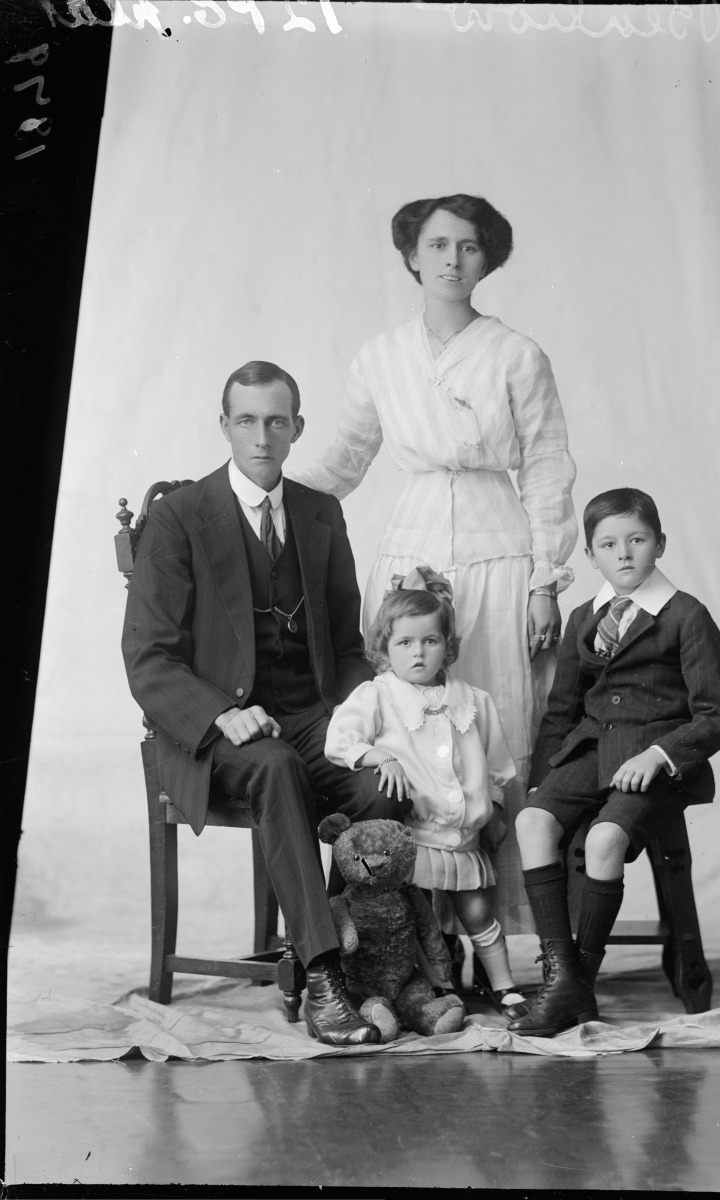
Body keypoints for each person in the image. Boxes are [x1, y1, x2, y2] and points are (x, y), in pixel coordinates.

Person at [289, 193, 578, 933]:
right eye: (438, 245)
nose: (452, 260)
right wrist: (261, 497)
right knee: (406, 730)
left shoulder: (516, 354)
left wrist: (545, 578)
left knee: (496, 728)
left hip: (501, 549)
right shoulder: (379, 356)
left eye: (470, 246)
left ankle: (502, 931)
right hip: (410, 550)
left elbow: (545, 465)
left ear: (489, 258)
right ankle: (409, 934)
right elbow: (343, 461)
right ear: (412, 255)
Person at [121, 359, 414, 1047]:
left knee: (385, 783)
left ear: (297, 429)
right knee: (277, 767)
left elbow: (346, 648)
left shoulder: (319, 513)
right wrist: (221, 712)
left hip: (310, 713)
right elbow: (148, 657)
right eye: (246, 420)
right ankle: (321, 978)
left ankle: (377, 960)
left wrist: (369, 721)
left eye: (276, 421)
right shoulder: (178, 518)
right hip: (212, 730)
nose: (261, 436)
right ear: (225, 425)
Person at [508, 488, 720, 1037]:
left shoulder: (685, 615)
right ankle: (564, 979)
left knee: (606, 840)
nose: (624, 553)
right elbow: (562, 711)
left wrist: (661, 755)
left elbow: (718, 715)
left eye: (637, 540)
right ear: (591, 556)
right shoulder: (586, 617)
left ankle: (575, 983)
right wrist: (544, 784)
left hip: (656, 758)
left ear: (659, 543)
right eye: (608, 544)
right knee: (531, 821)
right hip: (591, 748)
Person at [324, 567, 528, 1013]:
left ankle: (504, 984)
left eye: (430, 641)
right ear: (384, 648)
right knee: (419, 917)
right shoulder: (377, 695)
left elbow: (496, 768)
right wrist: (382, 757)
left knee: (477, 913)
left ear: (448, 646)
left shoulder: (474, 701)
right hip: (414, 838)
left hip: (465, 836)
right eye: (404, 643)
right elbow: (339, 740)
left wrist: (493, 810)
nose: (418, 654)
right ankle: (433, 991)